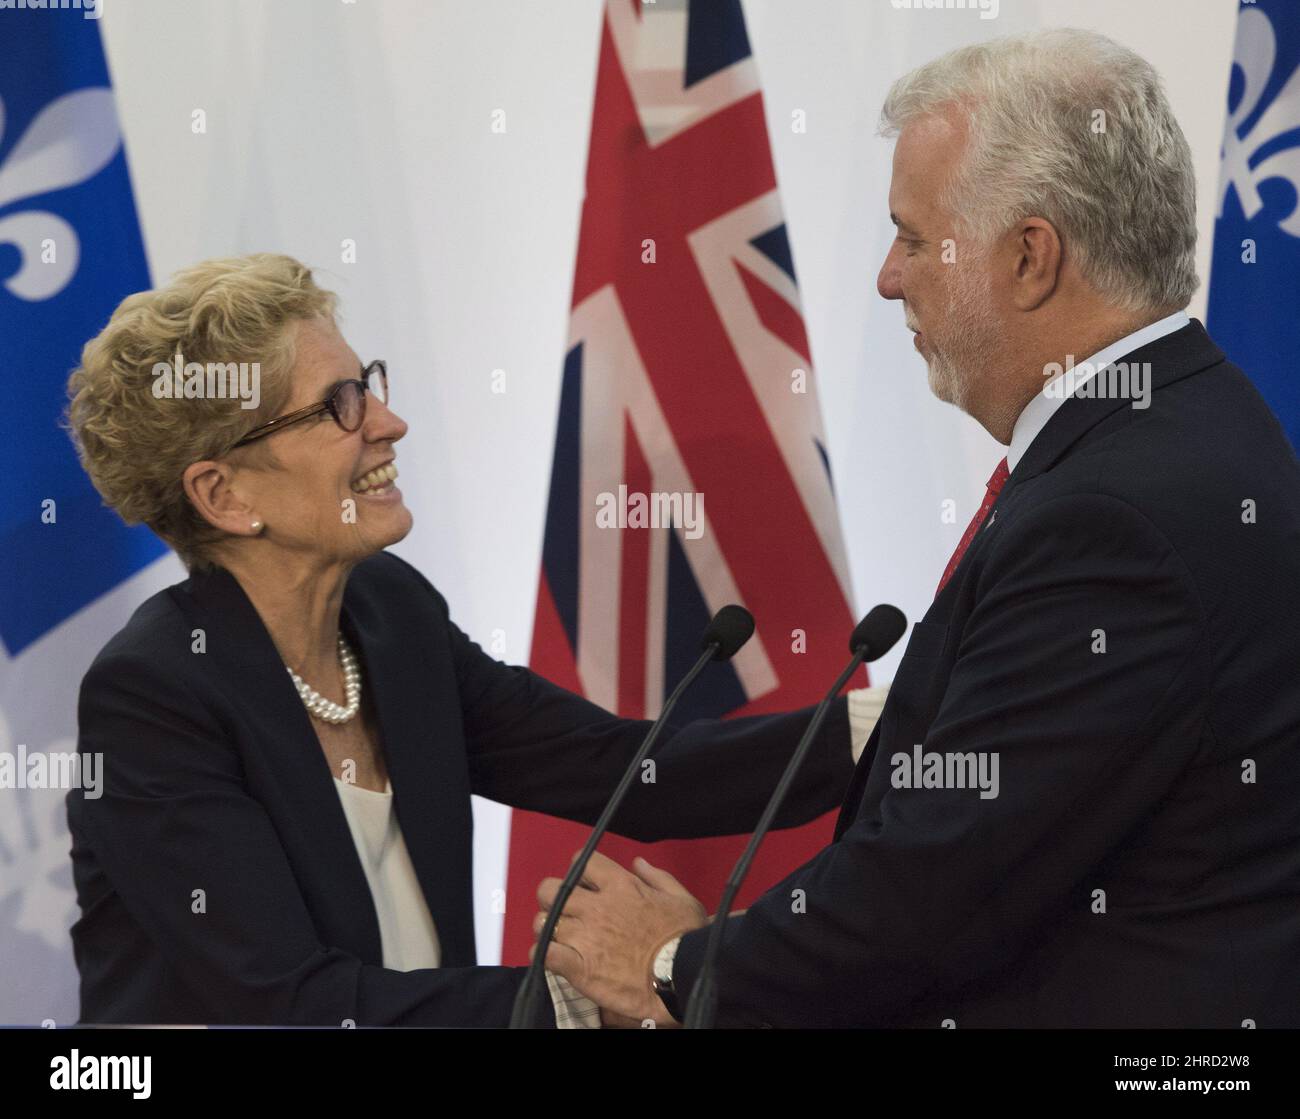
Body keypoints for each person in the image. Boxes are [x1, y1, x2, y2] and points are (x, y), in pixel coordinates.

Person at [533, 28, 1300, 1028]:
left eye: (910, 237)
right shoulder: (1183, 421)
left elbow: (943, 886)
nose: (889, 279)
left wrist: (678, 965)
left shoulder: (1112, 518)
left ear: (1029, 257)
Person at [63, 253, 880, 1026]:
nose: (389, 421)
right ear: (225, 493)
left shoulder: (390, 615)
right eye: (339, 404)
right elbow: (293, 1005)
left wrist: (888, 725)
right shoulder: (154, 697)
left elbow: (631, 774)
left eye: (369, 383)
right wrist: (573, 1005)